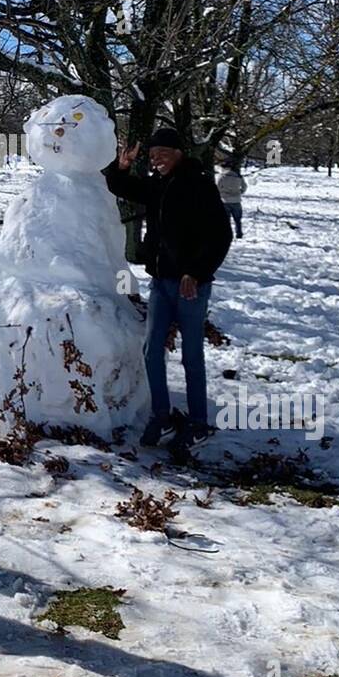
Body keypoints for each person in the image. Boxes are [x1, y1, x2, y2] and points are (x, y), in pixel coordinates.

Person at [104, 127, 231, 460]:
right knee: (151, 350)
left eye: (161, 153)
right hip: (160, 282)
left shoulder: (199, 184)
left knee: (191, 355)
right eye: (151, 154)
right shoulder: (159, 185)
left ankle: (199, 422)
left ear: (178, 153)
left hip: (191, 285)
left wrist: (198, 272)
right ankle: (163, 418)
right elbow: (124, 187)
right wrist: (122, 166)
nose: (155, 159)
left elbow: (221, 234)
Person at [217, 160, 247, 238]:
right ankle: (239, 233)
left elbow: (217, 187)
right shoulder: (238, 176)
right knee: (237, 220)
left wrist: (221, 194)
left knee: (226, 220)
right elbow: (244, 187)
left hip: (225, 201)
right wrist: (240, 192)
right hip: (236, 200)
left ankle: (226, 234)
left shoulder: (221, 176)